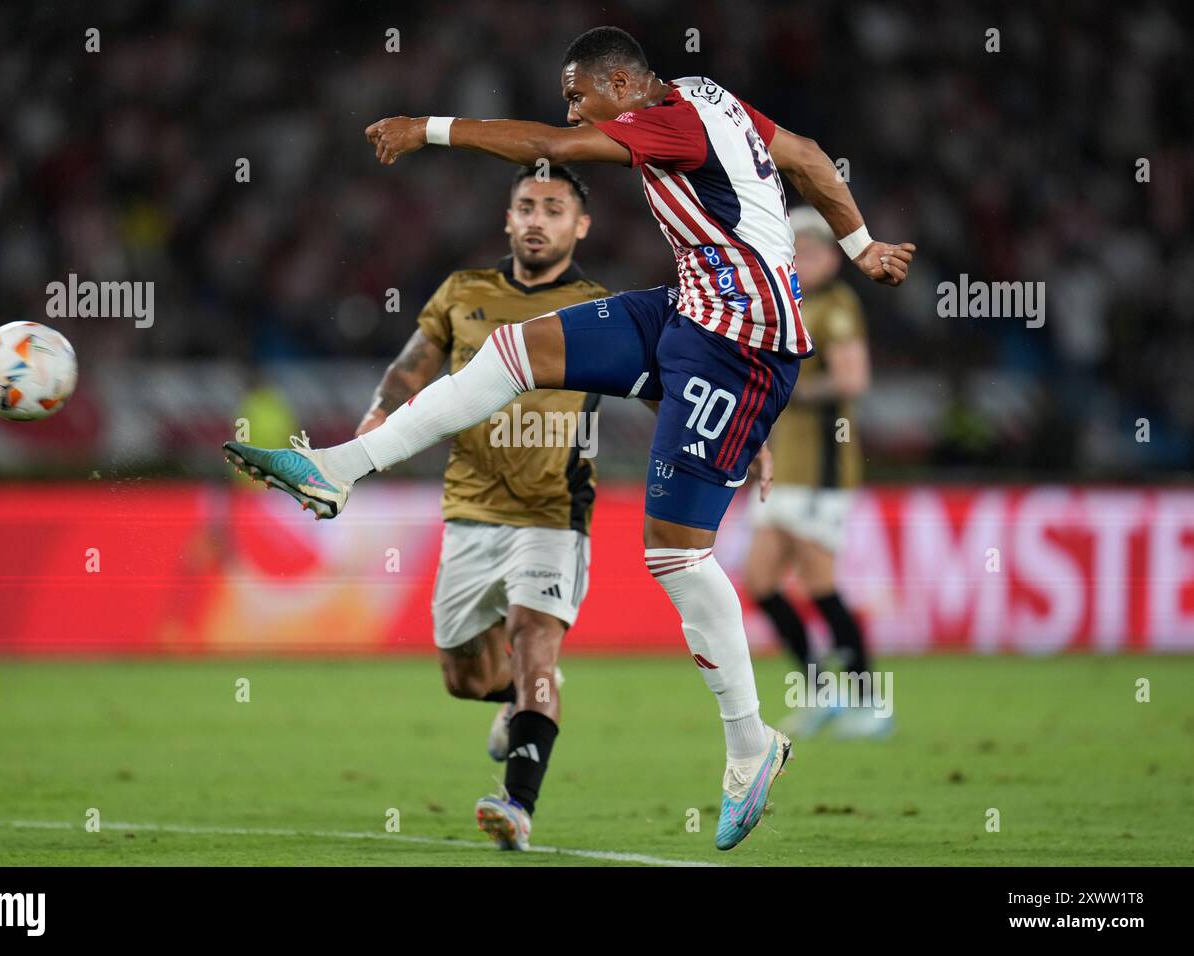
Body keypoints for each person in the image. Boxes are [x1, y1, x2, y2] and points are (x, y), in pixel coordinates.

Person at [225, 26, 915, 851]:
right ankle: (338, 468)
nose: (572, 108)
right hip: (689, 312)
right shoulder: (705, 94)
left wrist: (427, 129)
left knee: (675, 555)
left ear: (621, 84)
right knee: (514, 351)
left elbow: (553, 146)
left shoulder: (668, 120)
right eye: (569, 96)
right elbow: (803, 154)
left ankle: (749, 744)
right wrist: (862, 242)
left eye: (579, 92)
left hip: (744, 348)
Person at [355, 166, 610, 849]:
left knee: (533, 638)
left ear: (579, 226)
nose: (537, 218)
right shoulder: (463, 294)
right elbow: (416, 362)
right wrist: (379, 414)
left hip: (554, 510)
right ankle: (523, 704)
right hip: (470, 509)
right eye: (526, 206)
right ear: (506, 218)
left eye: (554, 209)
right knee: (464, 678)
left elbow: (657, 386)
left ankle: (517, 807)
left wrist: (729, 442)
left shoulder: (598, 308)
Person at [744, 206, 889, 739]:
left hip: (825, 466)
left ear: (831, 256)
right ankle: (821, 692)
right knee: (760, 580)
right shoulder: (786, 303)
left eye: (808, 251)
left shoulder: (837, 305)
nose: (799, 259)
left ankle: (872, 702)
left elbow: (854, 378)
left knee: (819, 583)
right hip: (788, 466)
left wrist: (796, 392)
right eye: (794, 250)